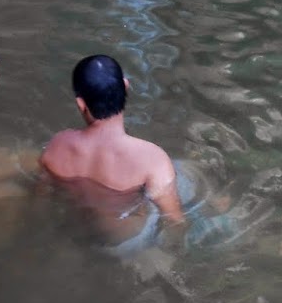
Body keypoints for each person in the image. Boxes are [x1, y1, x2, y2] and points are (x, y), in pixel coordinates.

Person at [40, 54, 183, 250]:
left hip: (74, 235)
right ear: (125, 86)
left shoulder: (57, 145)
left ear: (80, 104)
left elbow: (41, 198)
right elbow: (174, 221)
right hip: (128, 244)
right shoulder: (152, 158)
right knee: (185, 174)